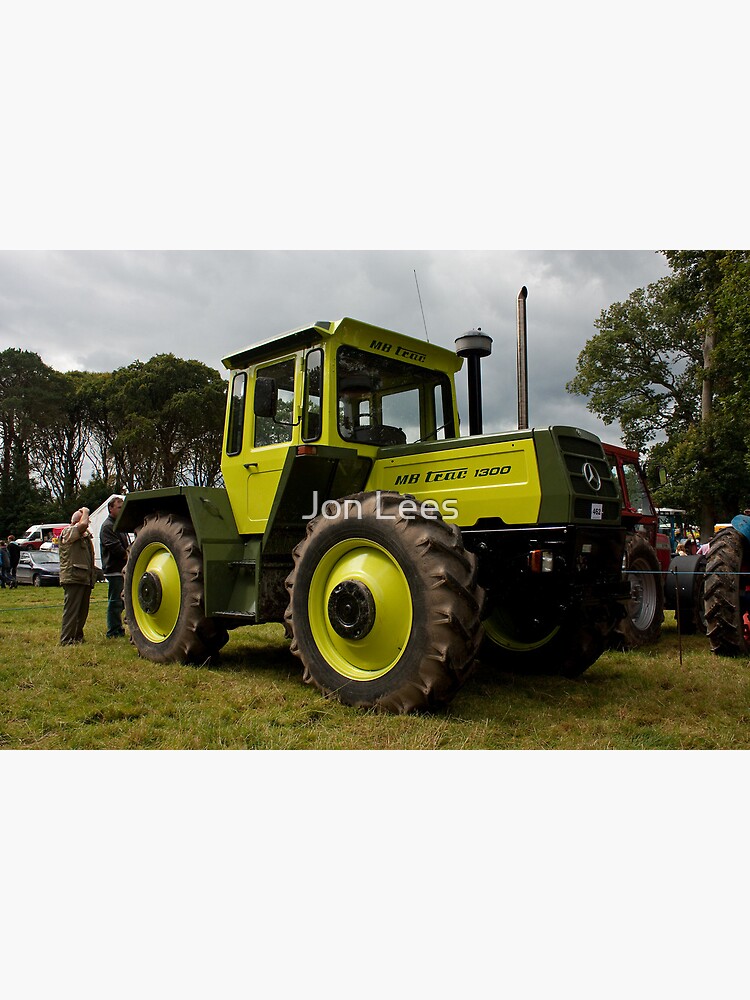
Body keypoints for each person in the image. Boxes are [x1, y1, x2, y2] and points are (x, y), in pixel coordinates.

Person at [58, 507, 96, 645]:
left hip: (84, 578)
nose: (88, 522)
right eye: (86, 519)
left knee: (82, 612)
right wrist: (85, 511)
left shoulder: (84, 537)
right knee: (72, 611)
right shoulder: (68, 532)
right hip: (73, 577)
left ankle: (77, 636)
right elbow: (83, 525)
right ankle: (67, 639)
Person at [99, 496, 129, 638]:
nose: (121, 510)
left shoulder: (118, 525)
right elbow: (116, 548)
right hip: (114, 569)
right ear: (111, 508)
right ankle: (113, 631)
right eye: (119, 507)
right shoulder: (108, 526)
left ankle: (118, 628)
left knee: (120, 601)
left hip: (121, 569)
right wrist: (130, 556)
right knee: (115, 601)